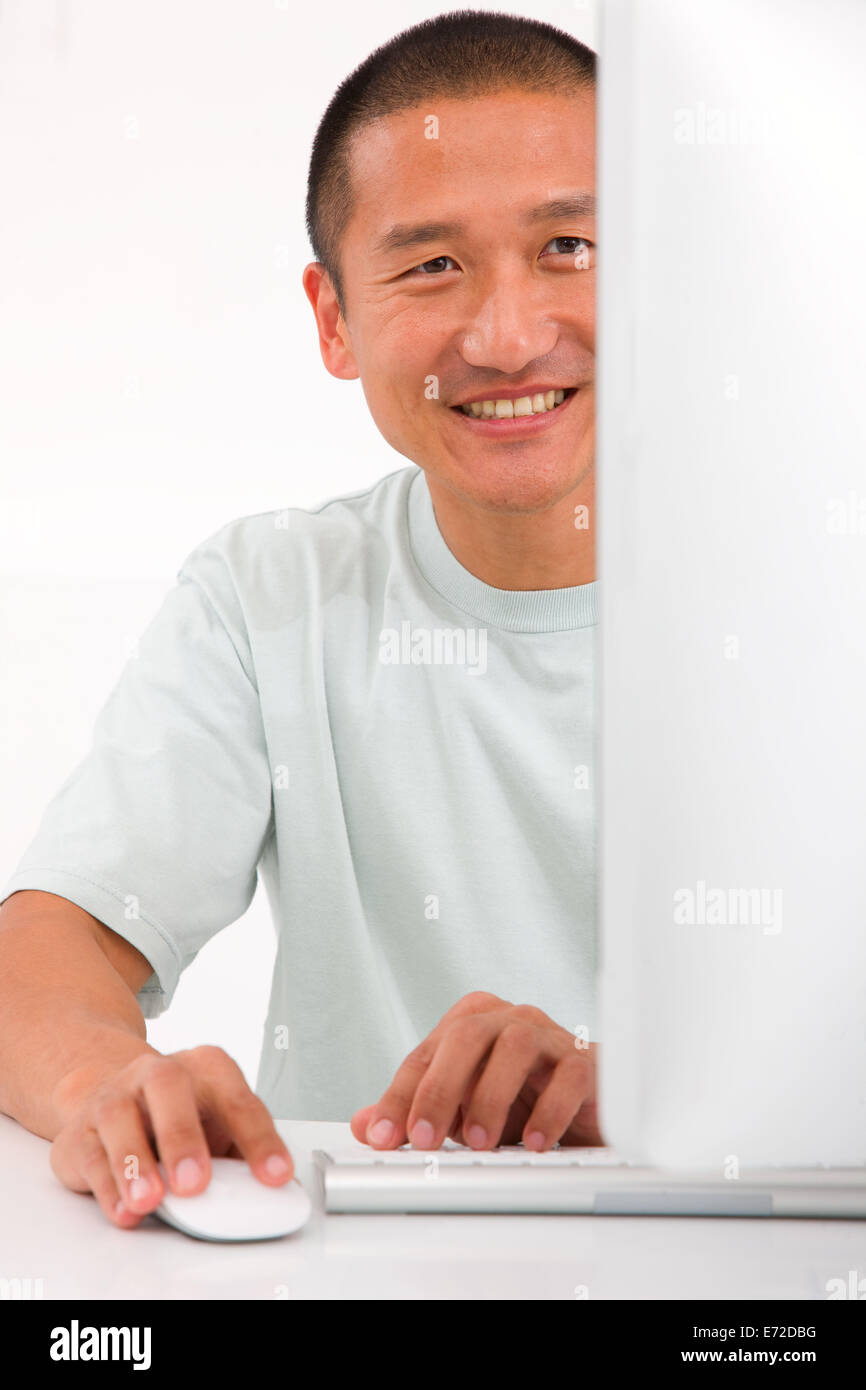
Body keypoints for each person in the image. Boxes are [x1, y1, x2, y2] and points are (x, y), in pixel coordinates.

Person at [0, 10, 601, 1231]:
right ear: (334, 320)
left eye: (569, 245)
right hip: (344, 1266)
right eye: (431, 265)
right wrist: (107, 1086)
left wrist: (663, 1096)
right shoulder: (270, 596)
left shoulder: (814, 597)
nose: (504, 335)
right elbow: (48, 949)